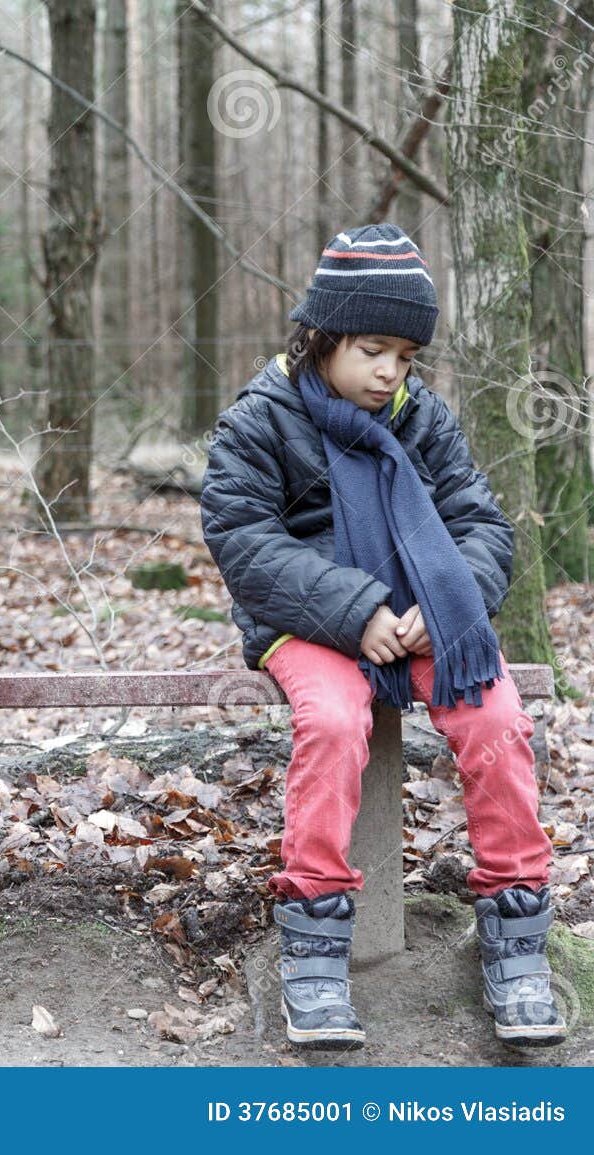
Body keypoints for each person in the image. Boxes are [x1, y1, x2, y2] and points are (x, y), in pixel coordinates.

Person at [199, 223, 563, 1051]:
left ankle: (516, 936)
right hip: (311, 620)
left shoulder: (420, 419)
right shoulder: (262, 418)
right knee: (331, 723)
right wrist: (355, 609)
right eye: (372, 349)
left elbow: (479, 522)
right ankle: (317, 945)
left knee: (496, 721)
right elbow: (244, 540)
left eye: (405, 354)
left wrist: (448, 605)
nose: (390, 371)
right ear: (323, 337)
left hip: (426, 617)